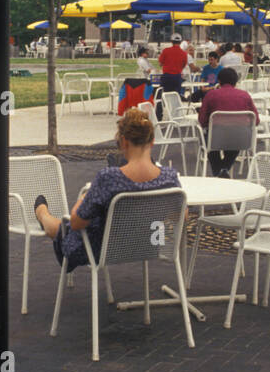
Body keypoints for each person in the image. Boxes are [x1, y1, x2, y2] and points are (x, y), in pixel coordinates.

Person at [32, 108, 181, 272]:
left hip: (102, 249)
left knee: (66, 227)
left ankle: (42, 214)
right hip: (149, 245)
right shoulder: (169, 177)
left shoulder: (110, 179)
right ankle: (43, 214)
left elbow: (77, 222)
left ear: (123, 142)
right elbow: (181, 215)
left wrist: (83, 197)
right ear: (152, 141)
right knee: (70, 227)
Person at [197, 67, 260, 177]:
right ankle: (224, 169)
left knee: (208, 142)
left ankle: (220, 172)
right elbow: (256, 120)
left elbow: (202, 120)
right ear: (236, 81)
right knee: (235, 139)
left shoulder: (211, 95)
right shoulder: (244, 95)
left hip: (216, 138)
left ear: (219, 81)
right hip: (242, 140)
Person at [158, 34, 188, 100]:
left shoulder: (166, 51)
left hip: (166, 77)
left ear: (171, 41)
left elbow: (160, 63)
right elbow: (183, 65)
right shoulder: (184, 53)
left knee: (162, 96)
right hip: (177, 77)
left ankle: (160, 109)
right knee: (176, 97)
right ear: (180, 42)